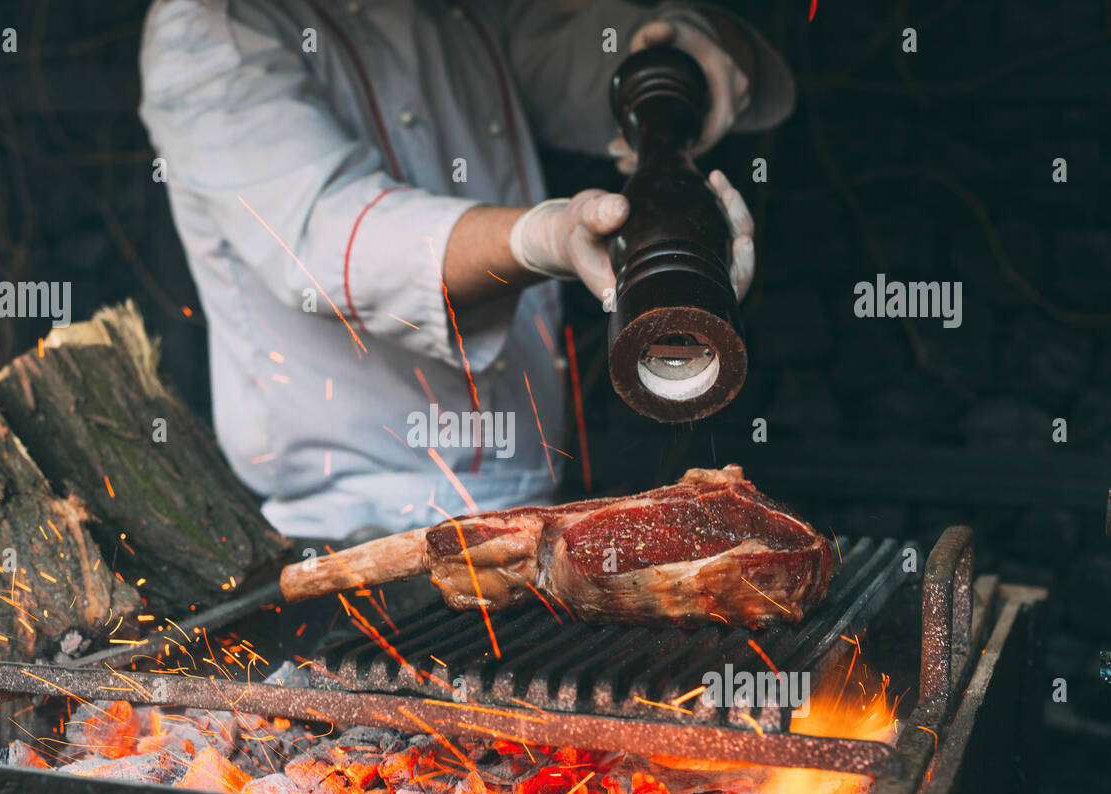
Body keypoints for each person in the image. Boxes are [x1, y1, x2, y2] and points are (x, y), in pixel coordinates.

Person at [139, 0, 794, 540]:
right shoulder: (210, 29)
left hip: (534, 512)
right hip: (352, 531)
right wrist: (545, 239)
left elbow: (615, 65)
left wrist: (697, 47)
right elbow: (335, 236)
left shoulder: (462, 16)